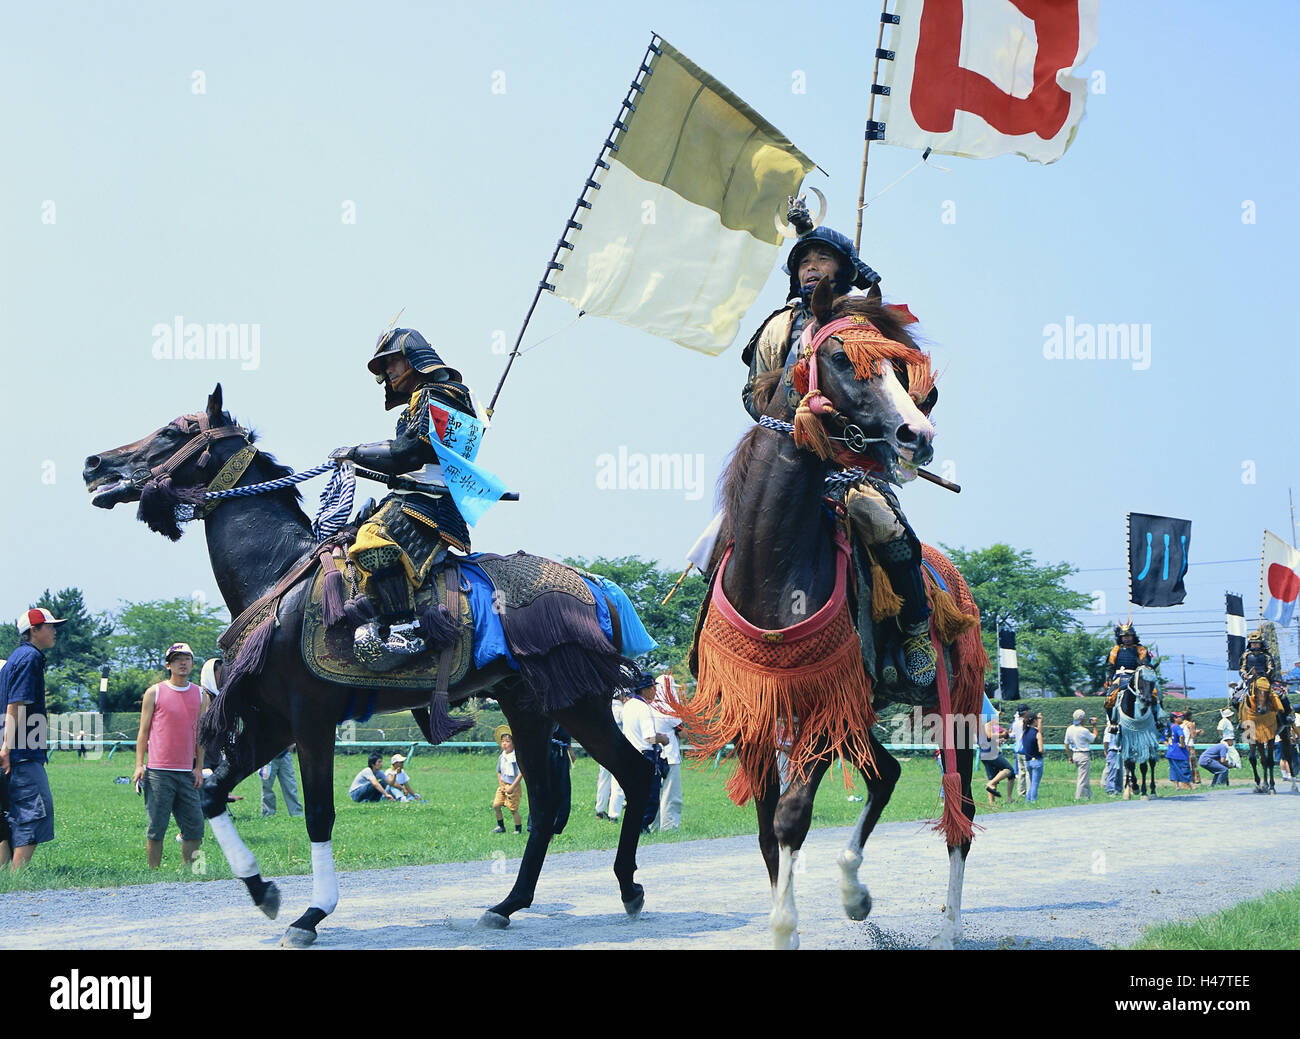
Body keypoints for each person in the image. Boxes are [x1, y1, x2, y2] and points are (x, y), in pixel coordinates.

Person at [330, 327, 480, 672]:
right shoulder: (418, 403)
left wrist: (356, 451)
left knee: (373, 541)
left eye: (391, 362)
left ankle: (405, 628)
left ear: (414, 357)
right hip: (412, 496)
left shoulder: (442, 394)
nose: (387, 373)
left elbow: (411, 452)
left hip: (432, 504)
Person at [132, 643, 209, 869]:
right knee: (157, 827)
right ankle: (154, 874)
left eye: (186, 658)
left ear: (192, 664)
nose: (182, 663)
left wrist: (199, 767)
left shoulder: (200, 694)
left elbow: (201, 735)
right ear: (168, 665)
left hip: (187, 772)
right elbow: (143, 732)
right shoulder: (154, 692)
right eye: (177, 659)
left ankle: (190, 872)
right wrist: (139, 765)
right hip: (158, 772)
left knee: (195, 827)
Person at [0, 608, 65, 870]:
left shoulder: (16, 657)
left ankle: (6, 876)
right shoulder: (30, 658)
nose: (54, 631)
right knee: (35, 811)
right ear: (33, 631)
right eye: (49, 626)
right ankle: (18, 877)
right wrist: (7, 747)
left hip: (16, 749)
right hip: (22, 751)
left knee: (13, 813)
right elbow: (16, 703)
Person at [610, 676, 668, 834]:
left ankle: (633, 826)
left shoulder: (628, 706)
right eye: (653, 688)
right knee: (650, 797)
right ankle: (641, 828)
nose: (655, 691)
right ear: (646, 689)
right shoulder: (644, 708)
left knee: (635, 796)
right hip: (645, 755)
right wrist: (662, 739)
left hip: (631, 754)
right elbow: (649, 737)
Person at [650, 676, 684, 831]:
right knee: (670, 794)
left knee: (653, 793)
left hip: (652, 755)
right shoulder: (669, 710)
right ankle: (669, 826)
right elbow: (683, 733)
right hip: (670, 756)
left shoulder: (649, 706)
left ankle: (653, 824)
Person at [978, 696, 1014, 805]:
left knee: (992, 776)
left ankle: (992, 803)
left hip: (984, 752)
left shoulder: (982, 721)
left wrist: (999, 739)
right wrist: (1001, 734)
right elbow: (989, 735)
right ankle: (993, 787)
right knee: (1009, 770)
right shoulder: (987, 719)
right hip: (991, 752)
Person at [1105, 622, 1154, 697]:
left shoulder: (1141, 649)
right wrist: (1109, 677)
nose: (1126, 638)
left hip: (1137, 677)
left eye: (1128, 636)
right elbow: (1110, 666)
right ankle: (1109, 708)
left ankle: (1157, 708)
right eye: (1124, 636)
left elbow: (1145, 664)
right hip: (1121, 677)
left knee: (1154, 693)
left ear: (1133, 636)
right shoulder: (1115, 649)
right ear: (1120, 638)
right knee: (1110, 697)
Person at [595, 696, 622, 820]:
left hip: (602, 747)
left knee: (603, 779)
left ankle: (599, 810)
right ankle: (614, 814)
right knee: (617, 782)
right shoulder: (621, 709)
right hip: (616, 748)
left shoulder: (603, 707)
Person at [491, 726, 523, 833]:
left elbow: (520, 774)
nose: (504, 744)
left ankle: (518, 829)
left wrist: (512, 787)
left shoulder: (516, 758)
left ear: (513, 743)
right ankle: (501, 827)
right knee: (496, 805)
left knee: (513, 809)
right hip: (503, 785)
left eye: (507, 741)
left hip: (513, 786)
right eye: (502, 741)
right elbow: (499, 771)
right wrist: (501, 785)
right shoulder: (502, 757)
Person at [1063, 709, 1098, 800]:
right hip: (1083, 755)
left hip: (1075, 754)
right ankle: (1078, 797)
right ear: (1082, 719)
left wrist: (1069, 756)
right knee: (1082, 778)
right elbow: (1094, 738)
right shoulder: (1084, 730)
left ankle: (1089, 796)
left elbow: (1066, 744)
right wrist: (1094, 726)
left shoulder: (1069, 728)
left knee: (1084, 776)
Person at [261, 746, 303, 817]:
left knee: (290, 786)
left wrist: (292, 742)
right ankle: (268, 814)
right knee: (267, 787)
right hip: (267, 757)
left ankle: (296, 814)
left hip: (285, 755)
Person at [1164, 711, 1192, 791]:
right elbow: (1182, 736)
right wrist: (1182, 744)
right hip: (1179, 753)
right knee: (1185, 768)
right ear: (1175, 719)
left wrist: (1169, 745)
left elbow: (1163, 739)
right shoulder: (1177, 727)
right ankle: (1191, 785)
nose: (1182, 718)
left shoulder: (1168, 727)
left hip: (1170, 752)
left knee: (1173, 769)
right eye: (1180, 717)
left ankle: (1176, 786)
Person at [1022, 711, 1045, 803]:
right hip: (1037, 760)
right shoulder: (1036, 733)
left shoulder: (1025, 732)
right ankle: (1033, 800)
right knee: (1035, 783)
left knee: (1032, 782)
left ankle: (1028, 800)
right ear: (1034, 720)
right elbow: (1041, 749)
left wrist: (1039, 721)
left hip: (1028, 760)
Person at [1010, 705, 1030, 799]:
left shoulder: (1015, 723)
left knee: (1021, 771)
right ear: (1025, 712)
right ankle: (1029, 792)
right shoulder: (1025, 722)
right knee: (1028, 772)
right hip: (1026, 749)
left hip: (1018, 749)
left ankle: (1020, 791)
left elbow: (1013, 735)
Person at [1102, 723, 1123, 796]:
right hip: (1113, 751)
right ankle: (1110, 789)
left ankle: (1118, 789)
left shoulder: (1121, 727)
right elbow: (1106, 741)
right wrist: (1106, 750)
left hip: (1119, 751)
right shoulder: (1109, 727)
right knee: (1112, 771)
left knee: (1119, 772)